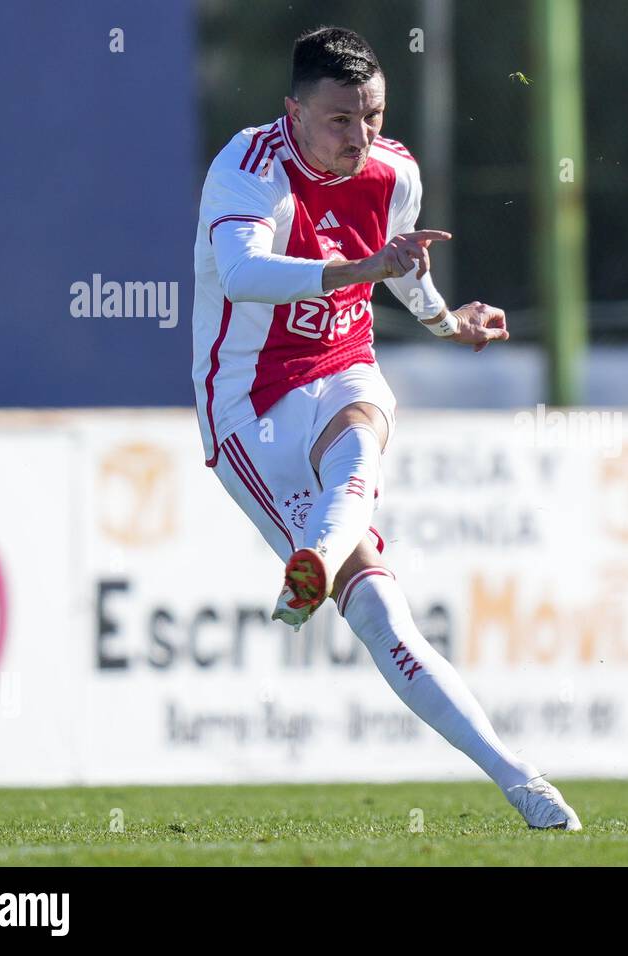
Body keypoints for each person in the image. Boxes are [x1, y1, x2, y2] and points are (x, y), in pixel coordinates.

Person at [190, 26, 580, 830]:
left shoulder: (393, 171)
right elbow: (242, 274)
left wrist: (447, 323)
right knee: (373, 616)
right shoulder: (248, 167)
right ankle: (327, 558)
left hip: (343, 369)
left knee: (366, 427)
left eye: (372, 114)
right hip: (249, 410)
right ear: (292, 111)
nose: (360, 136)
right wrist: (362, 269)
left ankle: (525, 785)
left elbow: (405, 272)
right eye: (340, 119)